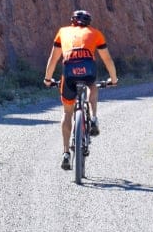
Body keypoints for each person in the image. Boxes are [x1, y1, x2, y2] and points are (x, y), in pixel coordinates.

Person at [44, 9, 118, 170]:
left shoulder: (62, 32)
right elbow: (107, 59)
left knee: (67, 113)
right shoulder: (96, 33)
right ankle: (93, 119)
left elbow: (54, 58)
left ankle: (65, 153)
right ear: (88, 22)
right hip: (88, 71)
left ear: (72, 21)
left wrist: (48, 79)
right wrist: (113, 80)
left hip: (68, 73)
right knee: (92, 85)